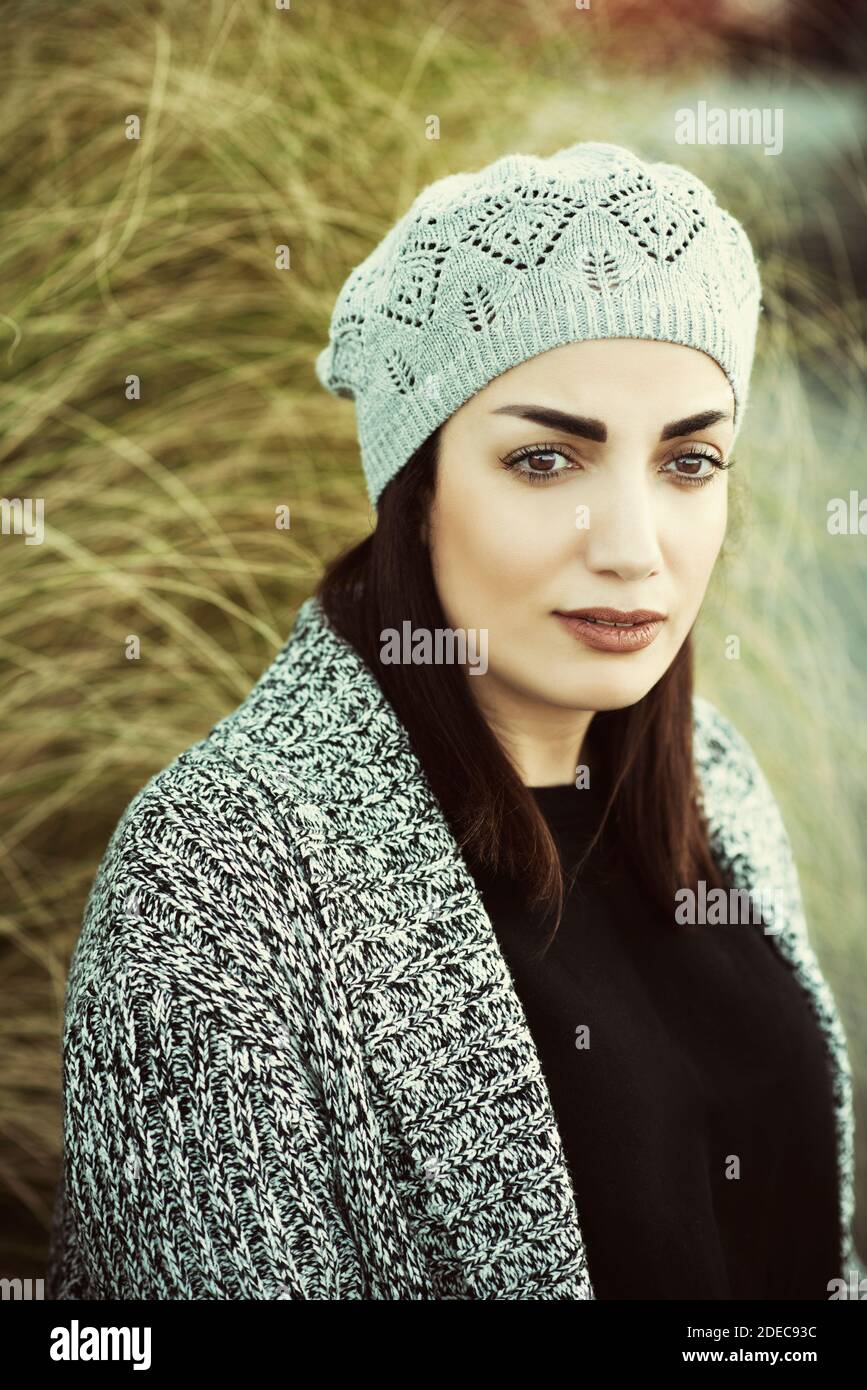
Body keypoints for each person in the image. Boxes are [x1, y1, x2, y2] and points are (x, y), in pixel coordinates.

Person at [45, 140, 862, 1300]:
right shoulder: (219, 877)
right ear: (415, 494)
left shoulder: (717, 783)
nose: (635, 547)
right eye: (545, 458)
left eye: (690, 459)